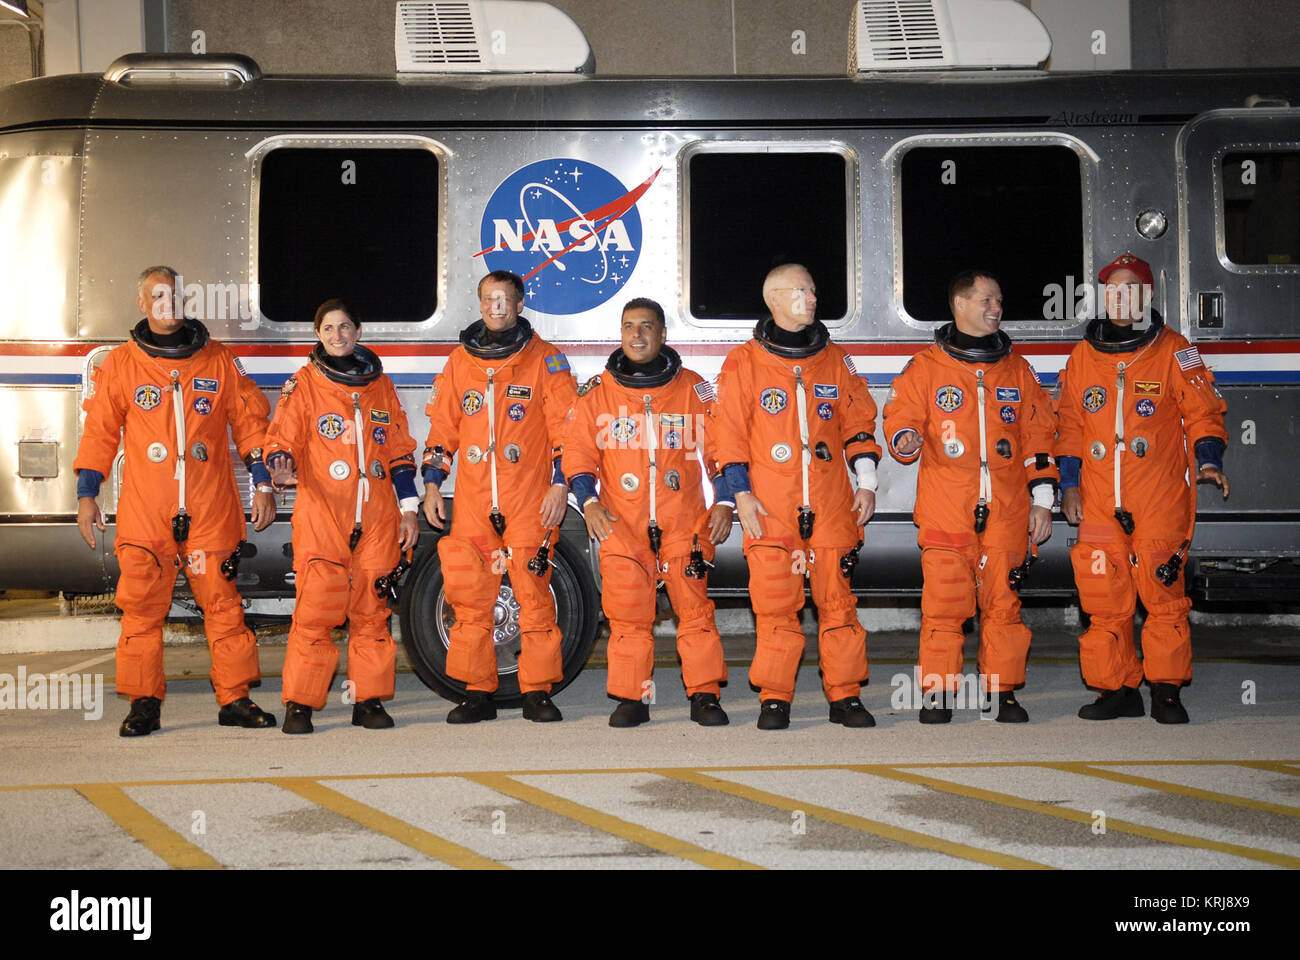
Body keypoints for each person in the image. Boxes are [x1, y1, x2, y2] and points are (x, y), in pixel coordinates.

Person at [74, 266, 278, 736]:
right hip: (147, 514)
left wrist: (264, 483)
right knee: (142, 610)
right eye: (156, 296)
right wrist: (87, 496)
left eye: (174, 295)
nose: (167, 303)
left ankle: (235, 700)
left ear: (185, 301)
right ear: (143, 305)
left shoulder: (220, 360)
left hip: (210, 510)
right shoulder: (122, 365)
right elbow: (100, 434)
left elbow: (249, 425)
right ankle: (144, 703)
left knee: (225, 607)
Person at [1057, 253, 1229, 723]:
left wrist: (1209, 459)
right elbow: (1069, 424)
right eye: (1112, 288)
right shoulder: (1082, 356)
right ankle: (1117, 690)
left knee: (1163, 597)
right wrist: (1068, 485)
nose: (1120, 296)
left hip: (1158, 497)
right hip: (1096, 500)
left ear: (1147, 295)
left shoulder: (1176, 349)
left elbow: (1203, 412)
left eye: (1130, 288)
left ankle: (1167, 690)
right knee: (1103, 601)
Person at [882, 270, 1058, 723]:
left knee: (1003, 606)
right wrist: (904, 438)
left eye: (999, 300)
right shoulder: (926, 367)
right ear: (959, 305)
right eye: (986, 300)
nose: (996, 307)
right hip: (946, 509)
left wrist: (1042, 499)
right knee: (944, 606)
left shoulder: (1018, 370)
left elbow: (1039, 436)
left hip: (1007, 510)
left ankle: (1001, 693)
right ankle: (938, 693)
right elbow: (901, 416)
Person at [712, 264, 880, 730]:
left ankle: (845, 697)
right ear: (774, 300)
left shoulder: (835, 359)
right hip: (770, 506)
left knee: (839, 606)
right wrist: (740, 495)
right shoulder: (744, 362)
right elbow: (728, 436)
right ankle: (775, 697)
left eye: (812, 289)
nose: (811, 298)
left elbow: (858, 422)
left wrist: (866, 479)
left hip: (829, 504)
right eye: (801, 291)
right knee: (774, 607)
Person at [563, 297, 734, 727]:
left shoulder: (695, 388)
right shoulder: (598, 394)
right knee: (628, 616)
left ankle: (705, 696)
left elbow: (722, 451)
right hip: (622, 525)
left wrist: (726, 503)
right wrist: (589, 501)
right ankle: (632, 698)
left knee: (694, 612)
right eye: (628, 326)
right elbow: (578, 456)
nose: (636, 334)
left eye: (646, 326)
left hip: (684, 523)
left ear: (662, 334)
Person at [422, 270, 578, 722]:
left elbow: (566, 430)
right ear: (480, 304)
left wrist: (560, 483)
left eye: (505, 299)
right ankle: (477, 692)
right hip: (472, 501)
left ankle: (537, 691)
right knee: (470, 599)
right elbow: (443, 429)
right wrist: (432, 484)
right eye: (489, 299)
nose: (497, 307)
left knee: (533, 597)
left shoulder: (545, 361)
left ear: (520, 303)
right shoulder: (459, 363)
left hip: (528, 498)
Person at [264, 299, 419, 734]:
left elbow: (399, 453)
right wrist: (279, 463)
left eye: (345, 326)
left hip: (377, 519)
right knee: (315, 612)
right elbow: (283, 438)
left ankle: (366, 701)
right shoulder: (304, 384)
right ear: (318, 334)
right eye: (329, 328)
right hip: (323, 516)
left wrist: (408, 510)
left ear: (358, 331)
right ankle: (301, 703)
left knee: (372, 612)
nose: (338, 335)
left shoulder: (380, 386)